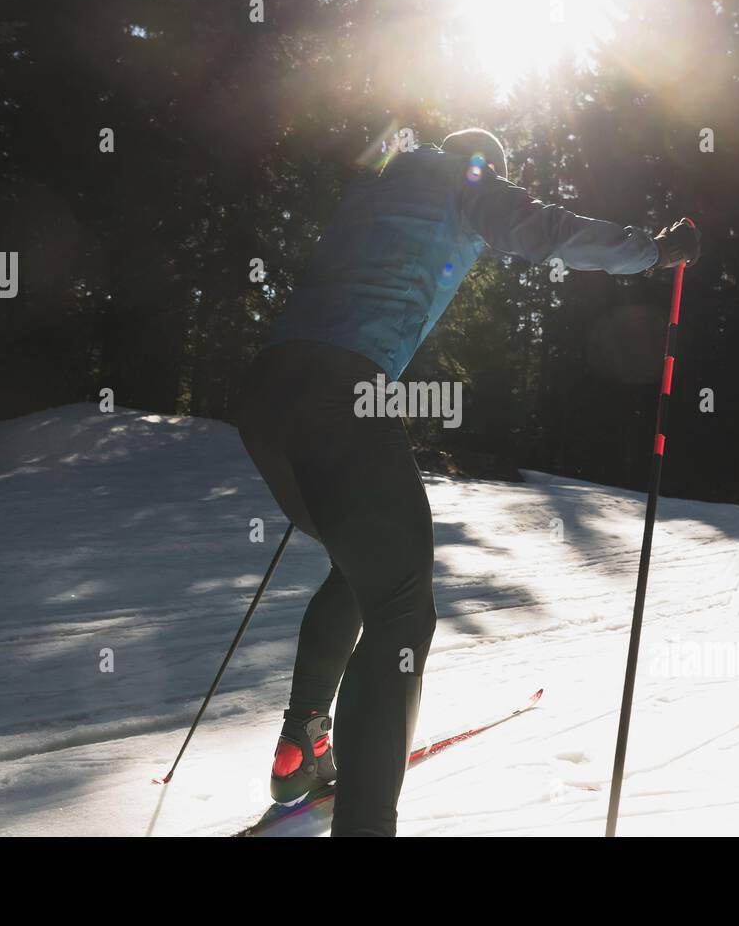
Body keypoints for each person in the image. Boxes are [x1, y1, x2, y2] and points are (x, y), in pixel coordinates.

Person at [236, 127, 700, 836]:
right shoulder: (466, 179)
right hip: (339, 395)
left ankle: (302, 750)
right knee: (402, 610)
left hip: (269, 396)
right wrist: (654, 251)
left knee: (359, 570)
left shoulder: (377, 183)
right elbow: (545, 230)